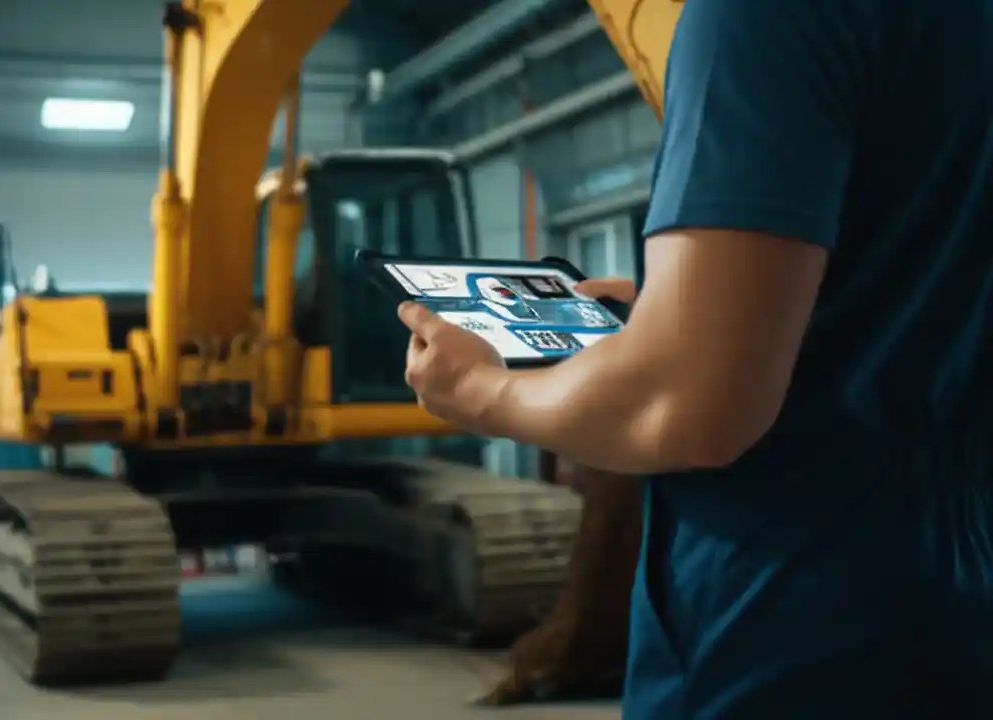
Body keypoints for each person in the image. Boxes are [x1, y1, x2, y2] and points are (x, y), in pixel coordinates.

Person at [397, 0, 993, 717]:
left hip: (790, 631)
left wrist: (480, 389)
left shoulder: (759, 18)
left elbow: (689, 406)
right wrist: (696, 305)